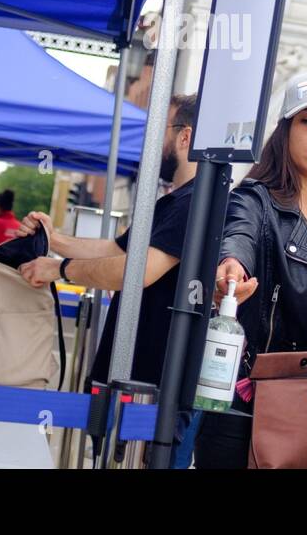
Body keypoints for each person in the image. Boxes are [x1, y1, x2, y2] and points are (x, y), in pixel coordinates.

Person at [193, 69, 307, 469]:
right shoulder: (255, 202)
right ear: (285, 130)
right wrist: (230, 273)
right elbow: (236, 241)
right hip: (250, 417)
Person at [16, 94, 197, 392]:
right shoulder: (173, 202)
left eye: (161, 129)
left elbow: (135, 270)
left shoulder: (193, 205)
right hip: (130, 368)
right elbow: (116, 250)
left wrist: (59, 269)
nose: (151, 141)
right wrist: (52, 238)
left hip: (150, 380)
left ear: (184, 137)